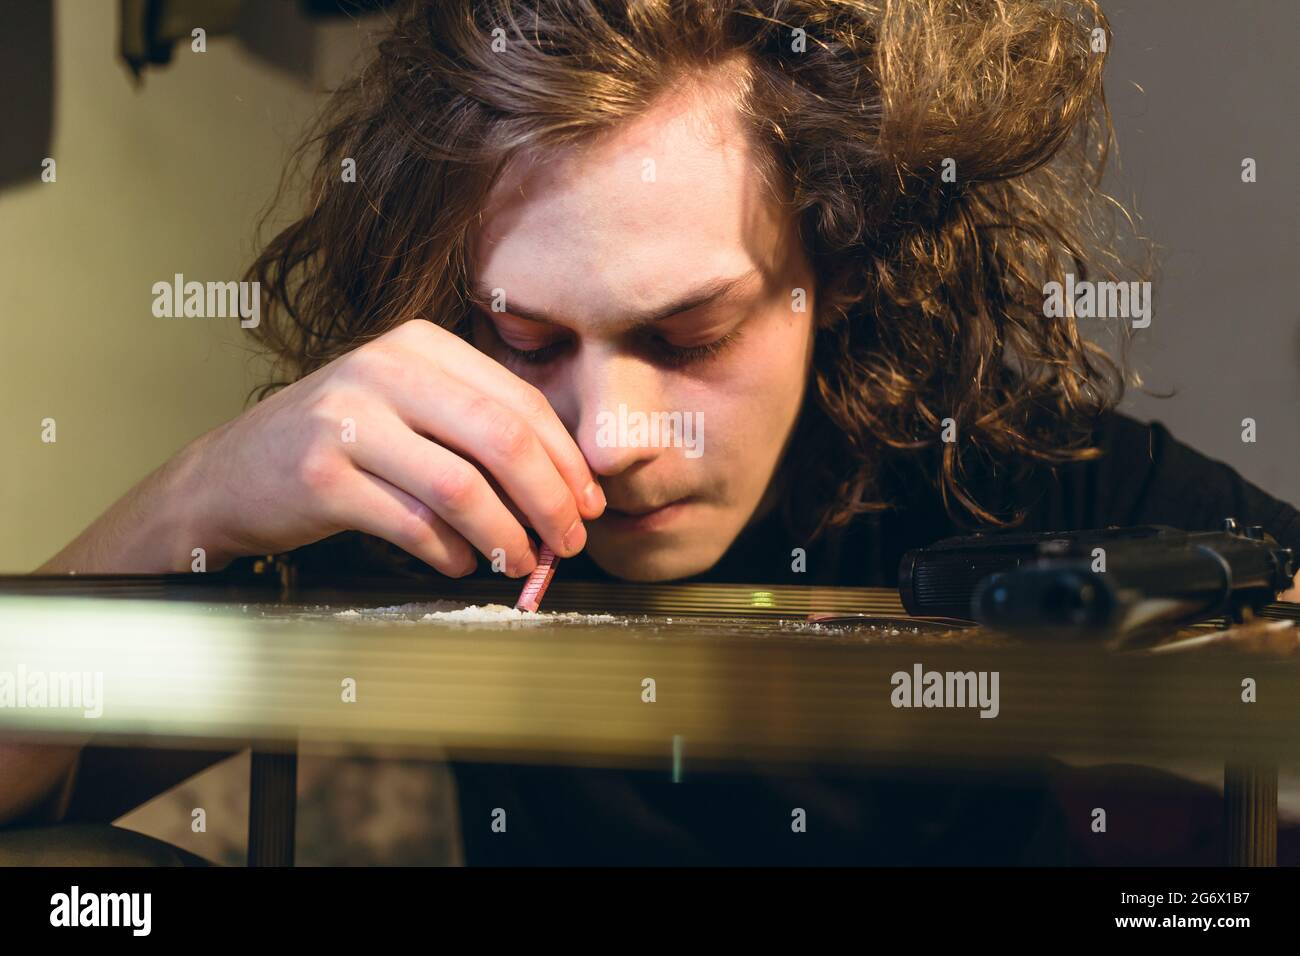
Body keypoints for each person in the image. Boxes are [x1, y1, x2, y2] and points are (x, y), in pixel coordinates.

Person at [5, 0, 1297, 862]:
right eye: (528, 340)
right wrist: (189, 502)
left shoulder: (991, 465)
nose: (608, 435)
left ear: (832, 264)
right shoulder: (451, 493)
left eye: (689, 336)